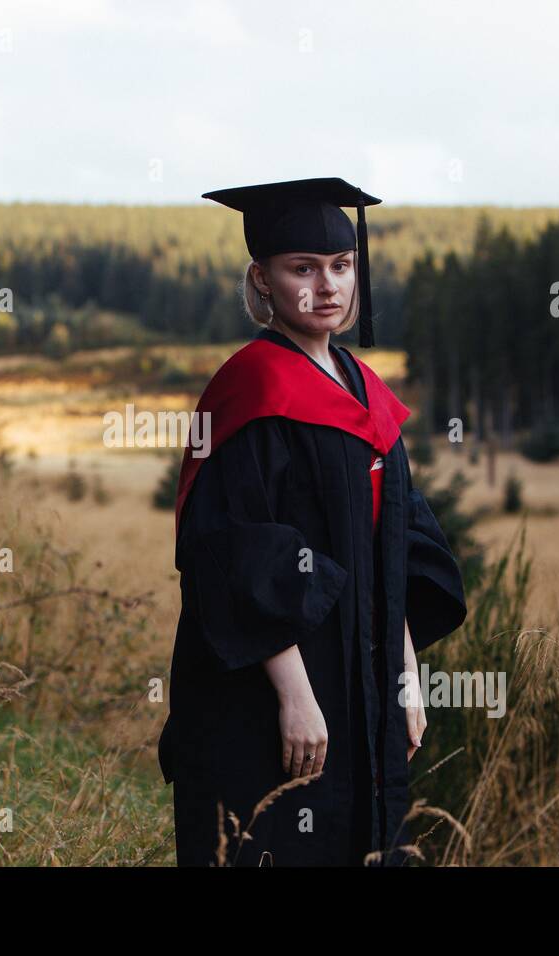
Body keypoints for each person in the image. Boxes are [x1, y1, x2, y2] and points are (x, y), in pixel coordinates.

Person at [157, 178, 468, 867]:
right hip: (269, 695)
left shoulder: (365, 391)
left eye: (341, 265)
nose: (327, 285)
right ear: (262, 280)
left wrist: (405, 677)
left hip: (364, 688)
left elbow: (402, 547)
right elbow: (234, 554)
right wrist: (295, 697)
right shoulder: (250, 392)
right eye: (303, 268)